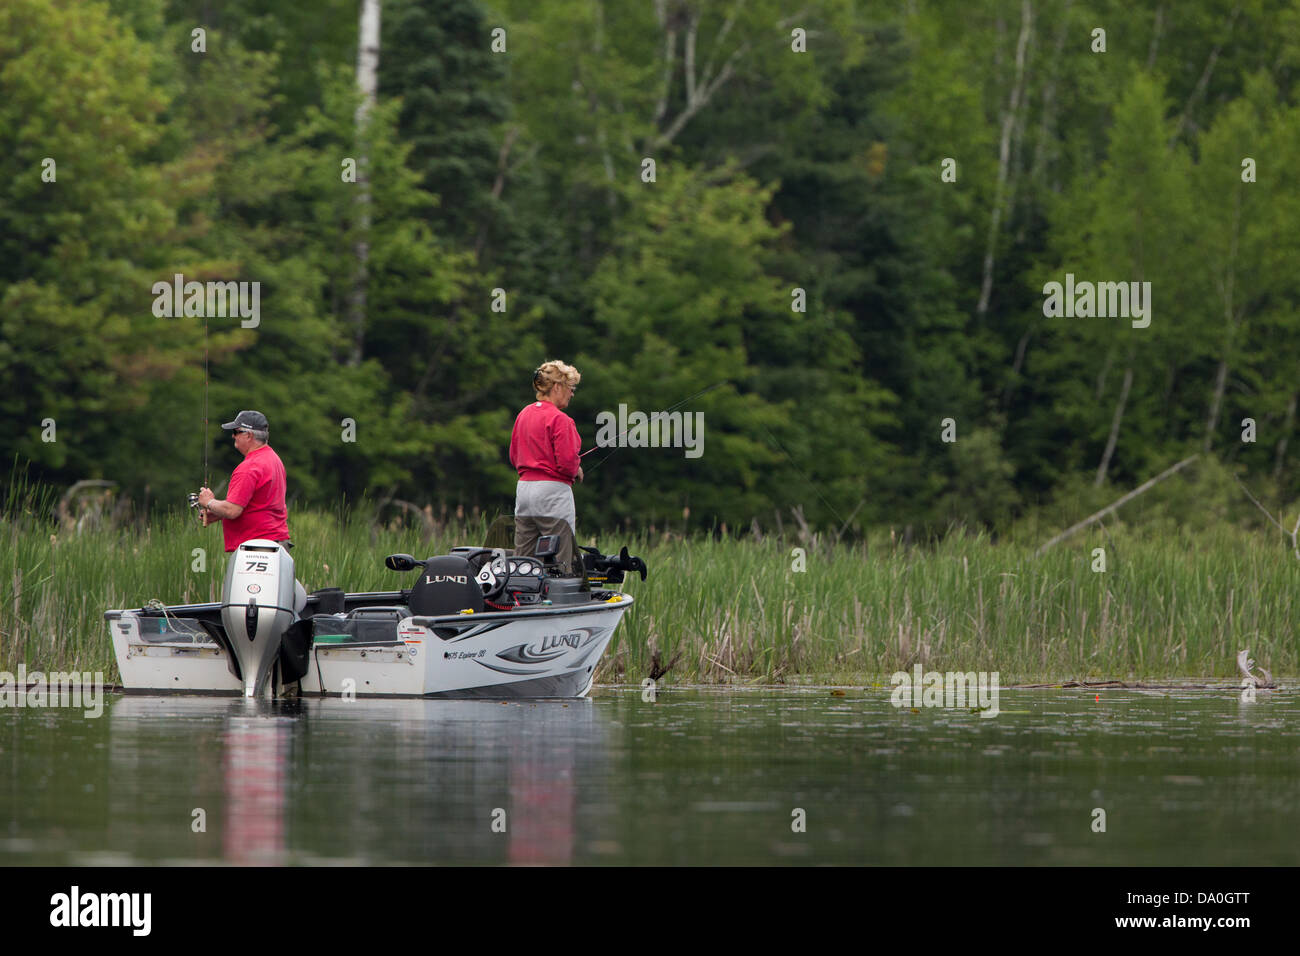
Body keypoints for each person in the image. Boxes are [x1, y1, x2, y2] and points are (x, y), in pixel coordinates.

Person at [509, 361, 583, 573]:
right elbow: (567, 464)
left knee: (523, 560)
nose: (572, 393)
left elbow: (514, 456)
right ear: (557, 387)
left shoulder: (523, 414)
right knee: (562, 558)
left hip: (524, 490)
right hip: (553, 494)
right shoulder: (561, 419)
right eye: (570, 388)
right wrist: (576, 468)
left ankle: (519, 589)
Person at [196, 410, 292, 553]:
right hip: (277, 544)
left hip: (258, 547)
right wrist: (218, 513)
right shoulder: (273, 459)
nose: (233, 436)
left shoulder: (250, 467)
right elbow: (256, 504)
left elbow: (232, 510)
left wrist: (208, 502)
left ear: (248, 435)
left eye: (236, 432)